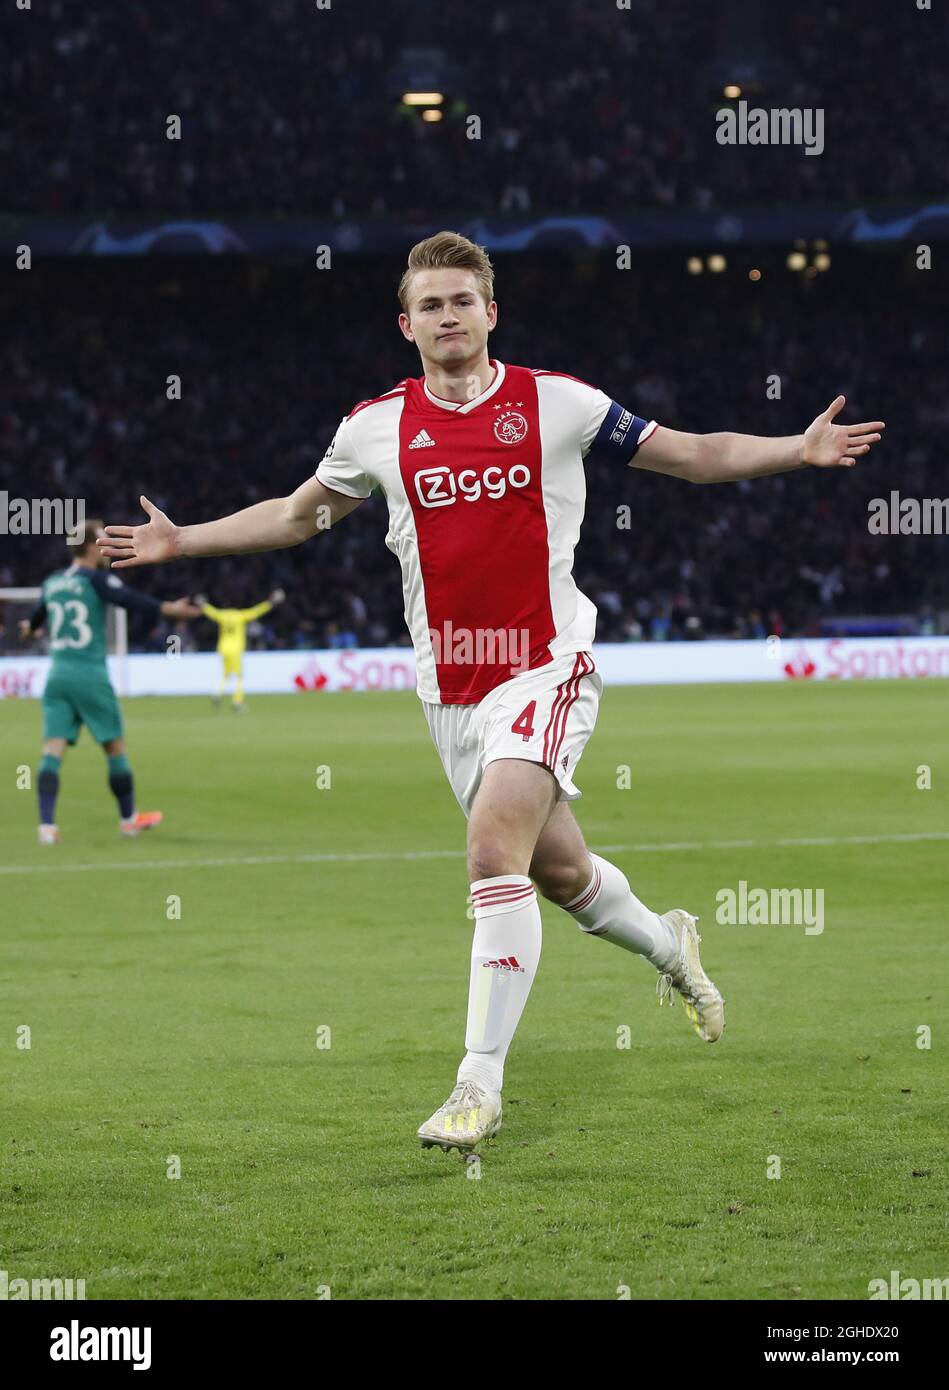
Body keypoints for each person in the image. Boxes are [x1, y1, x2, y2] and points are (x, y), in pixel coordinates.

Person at [98, 232, 885, 1152]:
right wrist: (183, 540)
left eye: (460, 301)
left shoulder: (558, 403)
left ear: (489, 312)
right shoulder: (374, 427)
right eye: (428, 305)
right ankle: (673, 948)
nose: (446, 317)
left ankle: (478, 1084)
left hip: (545, 667)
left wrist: (797, 447)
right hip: (449, 692)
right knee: (558, 875)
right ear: (406, 324)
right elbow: (296, 515)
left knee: (487, 853)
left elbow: (693, 452)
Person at [21, 519, 200, 843]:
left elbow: (34, 624)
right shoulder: (97, 580)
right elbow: (132, 600)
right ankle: (128, 819)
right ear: (91, 547)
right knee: (115, 749)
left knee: (52, 752)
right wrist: (171, 608)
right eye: (102, 539)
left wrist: (28, 630)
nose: (106, 546)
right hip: (89, 674)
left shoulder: (52, 583)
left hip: (58, 676)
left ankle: (47, 827)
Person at [197, 590, 285, 710]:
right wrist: (271, 602)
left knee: (226, 674)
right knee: (239, 676)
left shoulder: (222, 615)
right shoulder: (241, 615)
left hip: (223, 648)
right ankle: (237, 702)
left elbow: (211, 612)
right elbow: (257, 611)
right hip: (235, 649)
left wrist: (202, 604)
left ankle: (217, 694)